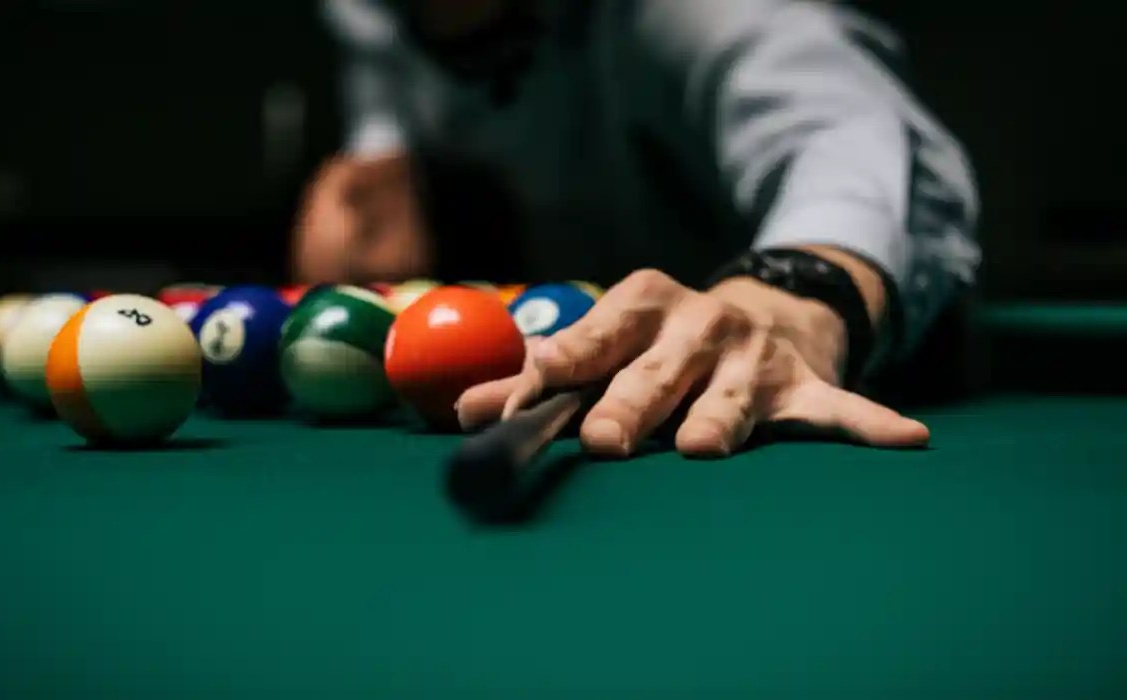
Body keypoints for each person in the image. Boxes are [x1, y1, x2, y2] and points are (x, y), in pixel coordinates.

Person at [290, 0, 981, 458]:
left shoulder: (704, 14)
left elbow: (843, 137)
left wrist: (790, 300)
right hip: (576, 340)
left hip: (751, 373)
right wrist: (379, 170)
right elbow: (382, 76)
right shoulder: (367, 12)